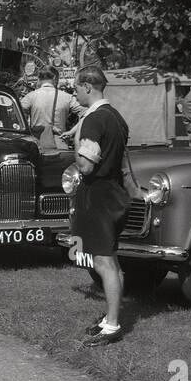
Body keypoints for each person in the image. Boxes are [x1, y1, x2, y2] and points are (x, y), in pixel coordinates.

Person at [69, 66, 133, 347]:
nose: (74, 94)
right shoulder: (116, 117)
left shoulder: (93, 119)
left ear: (87, 86)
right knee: (110, 259)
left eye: (75, 88)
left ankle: (113, 325)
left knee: (104, 262)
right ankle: (110, 318)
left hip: (99, 194)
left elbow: (85, 164)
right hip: (115, 191)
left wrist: (75, 139)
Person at [22, 69, 85, 150]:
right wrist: (72, 132)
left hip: (37, 145)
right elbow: (88, 113)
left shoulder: (30, 97)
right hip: (60, 145)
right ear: (55, 78)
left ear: (38, 79)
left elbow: (17, 117)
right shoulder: (67, 97)